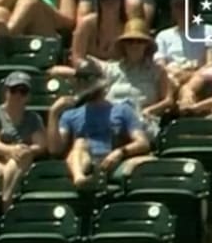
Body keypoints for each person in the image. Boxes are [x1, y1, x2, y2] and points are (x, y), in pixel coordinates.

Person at [53, 20, 173, 139]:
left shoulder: (157, 71)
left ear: (146, 45)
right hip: (111, 120)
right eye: (130, 42)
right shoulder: (110, 69)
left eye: (140, 42)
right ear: (124, 45)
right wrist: (73, 72)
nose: (134, 45)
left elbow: (168, 100)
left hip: (142, 121)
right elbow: (82, 68)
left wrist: (150, 110)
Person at [48, 60, 152, 188]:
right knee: (80, 143)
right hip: (84, 163)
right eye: (83, 80)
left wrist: (120, 152)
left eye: (91, 79)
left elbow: (142, 143)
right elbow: (55, 149)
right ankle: (80, 179)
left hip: (113, 162)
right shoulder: (70, 114)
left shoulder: (122, 110)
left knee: (149, 163)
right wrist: (53, 114)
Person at [0, 72, 49, 208]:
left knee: (25, 154)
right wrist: (13, 150)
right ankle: (8, 200)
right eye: (13, 91)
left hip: (17, 162)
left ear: (28, 96)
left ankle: (6, 197)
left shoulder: (33, 118)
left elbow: (40, 145)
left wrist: (25, 150)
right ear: (6, 92)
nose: (18, 95)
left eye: (23, 92)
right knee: (14, 162)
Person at [71, 0, 148, 64]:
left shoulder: (128, 28)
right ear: (99, 1)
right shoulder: (87, 24)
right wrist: (86, 66)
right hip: (91, 73)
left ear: (121, 0)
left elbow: (137, 57)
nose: (109, 1)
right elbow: (77, 57)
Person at [154, 0, 212, 89]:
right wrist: (176, 73)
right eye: (177, 6)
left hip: (199, 78)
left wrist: (190, 76)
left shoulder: (208, 30)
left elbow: (210, 63)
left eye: (186, 5)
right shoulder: (163, 36)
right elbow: (160, 66)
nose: (182, 10)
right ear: (172, 9)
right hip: (172, 79)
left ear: (192, 8)